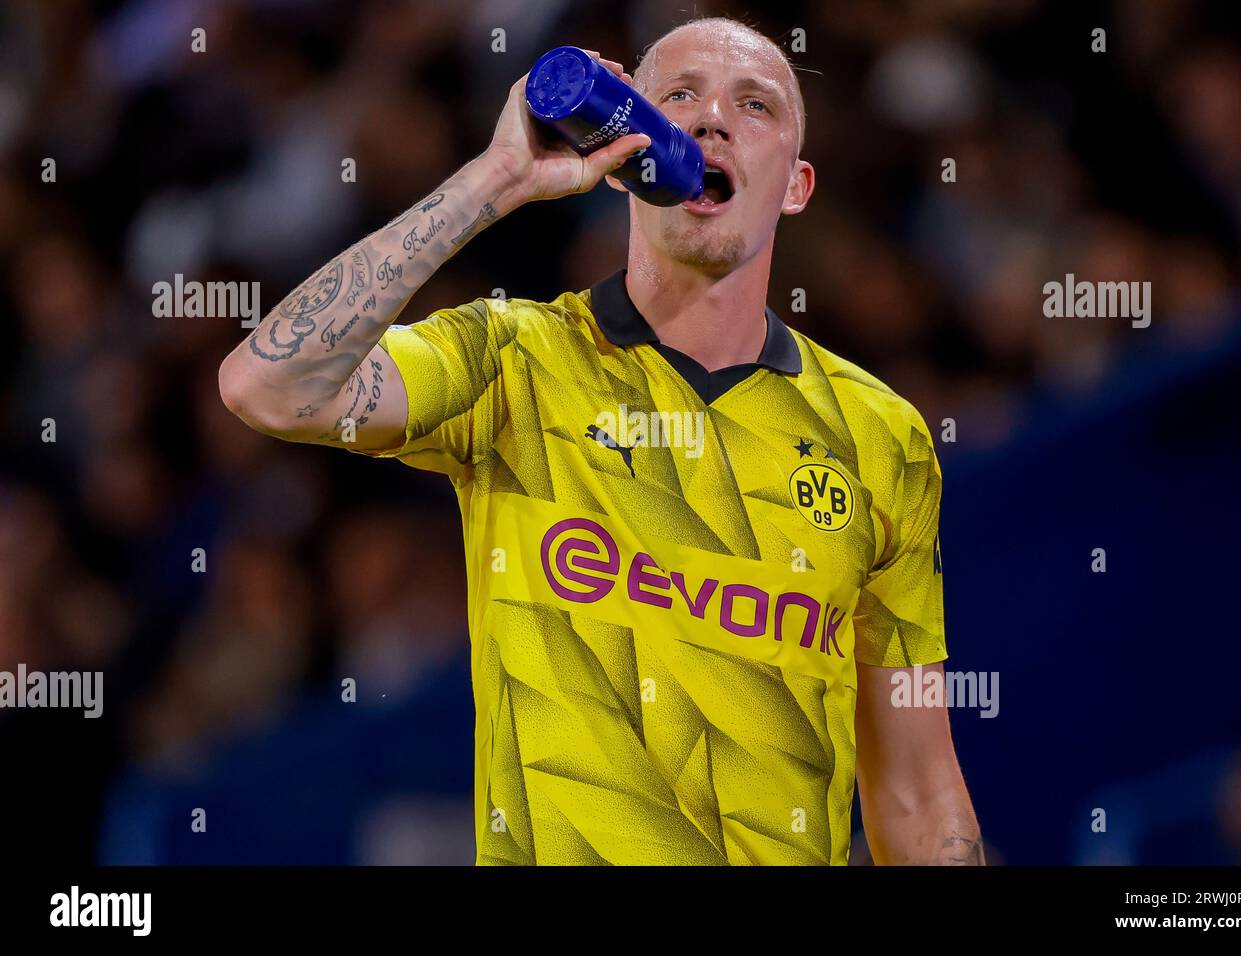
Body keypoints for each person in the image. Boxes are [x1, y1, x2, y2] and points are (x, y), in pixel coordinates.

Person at [218, 15, 982, 865]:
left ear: (796, 185)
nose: (711, 119)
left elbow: (918, 789)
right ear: (628, 155)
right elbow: (269, 387)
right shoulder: (512, 359)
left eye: (754, 105)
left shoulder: (883, 437)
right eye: (679, 97)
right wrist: (496, 179)